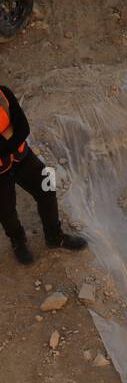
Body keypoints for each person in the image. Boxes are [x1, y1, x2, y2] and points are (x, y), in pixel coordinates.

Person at [0, 84, 87, 264]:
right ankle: (18, 241)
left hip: (22, 157)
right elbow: (16, 131)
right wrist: (8, 136)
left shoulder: (3, 93)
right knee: (6, 212)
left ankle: (55, 237)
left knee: (47, 188)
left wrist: (5, 145)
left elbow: (23, 128)